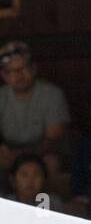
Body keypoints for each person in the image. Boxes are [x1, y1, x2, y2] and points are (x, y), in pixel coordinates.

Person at [0, 40, 69, 174]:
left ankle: (46, 196)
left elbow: (53, 140)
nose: (18, 75)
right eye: (11, 71)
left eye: (23, 68)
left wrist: (19, 154)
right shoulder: (1, 96)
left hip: (42, 154)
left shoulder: (52, 94)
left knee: (51, 161)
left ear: (33, 68)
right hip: (9, 156)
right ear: (4, 75)